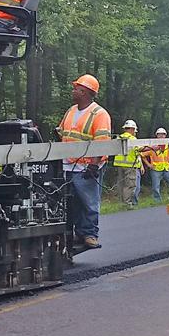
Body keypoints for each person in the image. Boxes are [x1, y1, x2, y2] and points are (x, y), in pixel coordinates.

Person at [57, 74, 111, 249]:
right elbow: (62, 132)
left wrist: (94, 165)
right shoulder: (71, 111)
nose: (73, 91)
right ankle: (75, 233)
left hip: (87, 166)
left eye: (77, 89)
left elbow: (102, 141)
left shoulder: (99, 114)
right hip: (68, 164)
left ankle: (89, 234)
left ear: (86, 92)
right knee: (71, 202)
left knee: (88, 201)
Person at [142, 127, 169, 204]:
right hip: (156, 169)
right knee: (156, 187)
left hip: (166, 169)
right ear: (157, 136)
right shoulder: (153, 146)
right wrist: (149, 165)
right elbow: (142, 155)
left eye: (163, 135)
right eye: (159, 135)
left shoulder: (168, 146)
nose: (161, 136)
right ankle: (157, 202)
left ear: (165, 136)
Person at [111, 119, 142, 207]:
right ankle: (127, 203)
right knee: (130, 185)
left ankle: (121, 203)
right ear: (132, 129)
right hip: (130, 166)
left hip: (119, 165)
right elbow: (139, 149)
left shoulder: (118, 138)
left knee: (121, 184)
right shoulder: (133, 139)